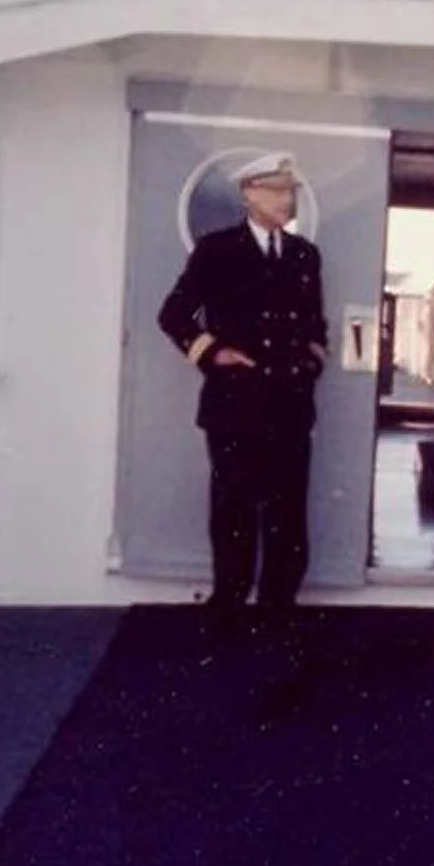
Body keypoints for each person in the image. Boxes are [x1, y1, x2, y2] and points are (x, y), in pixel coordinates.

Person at [157, 153, 327, 616]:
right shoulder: (217, 251)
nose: (287, 200)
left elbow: (315, 324)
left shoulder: (303, 256)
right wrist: (213, 353)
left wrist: (314, 358)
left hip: (290, 404)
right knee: (233, 508)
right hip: (235, 405)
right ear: (249, 193)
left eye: (290, 191)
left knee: (287, 511)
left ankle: (279, 604)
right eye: (277, 190)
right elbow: (173, 315)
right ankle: (229, 602)